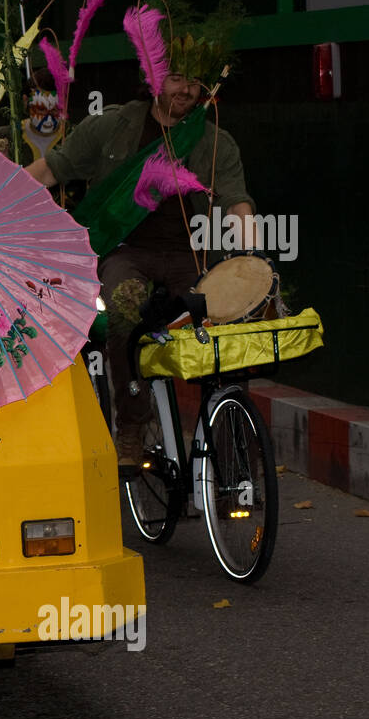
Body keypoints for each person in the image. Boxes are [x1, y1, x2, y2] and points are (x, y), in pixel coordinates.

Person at [24, 32, 255, 471]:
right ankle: (131, 424)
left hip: (185, 258)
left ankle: (231, 450)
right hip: (124, 252)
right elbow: (55, 169)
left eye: (194, 81)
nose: (186, 90)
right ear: (152, 78)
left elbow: (236, 201)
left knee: (222, 326)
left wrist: (255, 258)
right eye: (175, 77)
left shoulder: (213, 141)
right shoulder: (113, 126)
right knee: (124, 308)